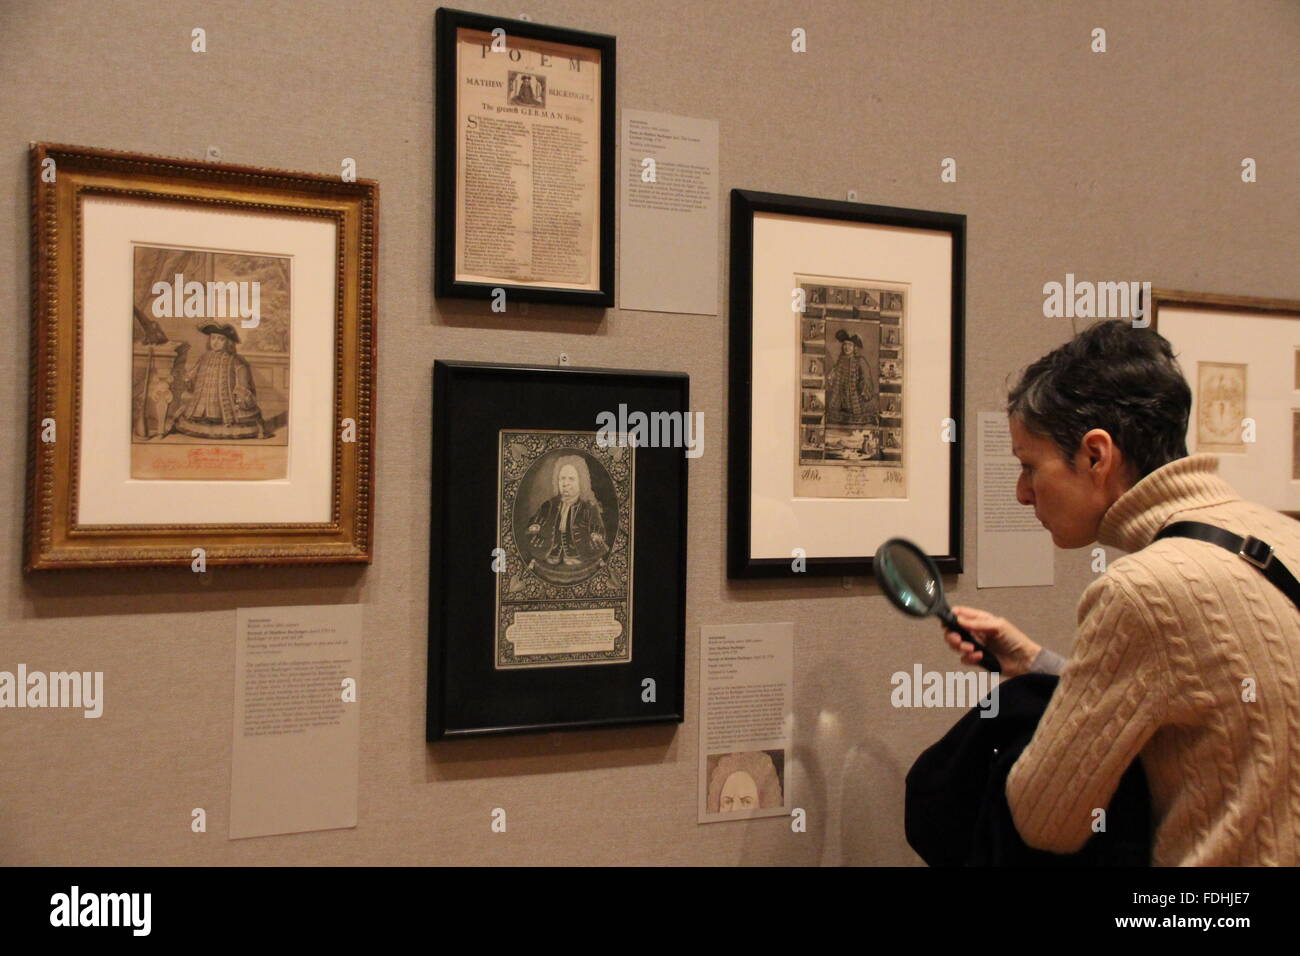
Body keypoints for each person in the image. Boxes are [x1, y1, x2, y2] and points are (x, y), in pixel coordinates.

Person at [942, 320, 1300, 865]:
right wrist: (1039, 665)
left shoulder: (1142, 591)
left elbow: (1047, 821)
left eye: (1028, 466)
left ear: (1095, 456)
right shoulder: (1284, 536)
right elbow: (1207, 698)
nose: (1020, 493)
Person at [172, 323, 266, 440]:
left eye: (220, 339)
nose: (215, 342)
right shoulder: (204, 357)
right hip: (203, 398)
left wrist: (241, 394)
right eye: (213, 338)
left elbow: (242, 377)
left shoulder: (235, 359)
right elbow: (194, 371)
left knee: (237, 419)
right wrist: (188, 378)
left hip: (227, 402)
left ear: (228, 342)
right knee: (195, 416)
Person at [526, 455, 608, 569]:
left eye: (571, 479)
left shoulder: (588, 506)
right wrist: (535, 525)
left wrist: (596, 533)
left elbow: (596, 523)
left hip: (580, 550)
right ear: (557, 481)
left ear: (581, 481)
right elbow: (538, 518)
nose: (565, 483)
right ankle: (555, 553)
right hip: (551, 549)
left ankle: (572, 555)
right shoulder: (550, 504)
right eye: (562, 478)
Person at [825, 329, 877, 425]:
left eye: (850, 345)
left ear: (854, 348)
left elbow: (866, 379)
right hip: (840, 402)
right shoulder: (840, 361)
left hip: (856, 402)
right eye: (845, 344)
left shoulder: (860, 361)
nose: (846, 347)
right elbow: (832, 379)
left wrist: (863, 387)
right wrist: (832, 376)